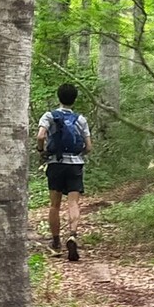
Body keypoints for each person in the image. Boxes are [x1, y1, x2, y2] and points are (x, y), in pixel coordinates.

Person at [34, 83, 89, 259]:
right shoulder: (80, 119)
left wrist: (42, 151)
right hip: (75, 165)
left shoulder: (49, 116)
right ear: (74, 99)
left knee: (54, 205)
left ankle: (56, 242)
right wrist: (79, 153)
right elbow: (89, 146)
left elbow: (41, 136)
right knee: (73, 203)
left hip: (55, 164)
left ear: (59, 97)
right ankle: (72, 235)